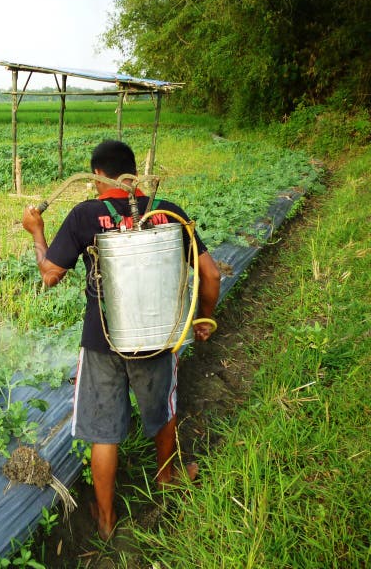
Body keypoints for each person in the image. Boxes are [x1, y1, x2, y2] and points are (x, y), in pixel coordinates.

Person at [21, 139, 221, 540]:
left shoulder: (84, 215)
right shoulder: (169, 213)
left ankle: (106, 518)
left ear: (98, 174)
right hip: (157, 337)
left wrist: (36, 231)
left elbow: (49, 275)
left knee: (103, 431)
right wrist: (203, 317)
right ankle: (167, 476)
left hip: (102, 341)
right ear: (133, 173)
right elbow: (211, 275)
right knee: (163, 410)